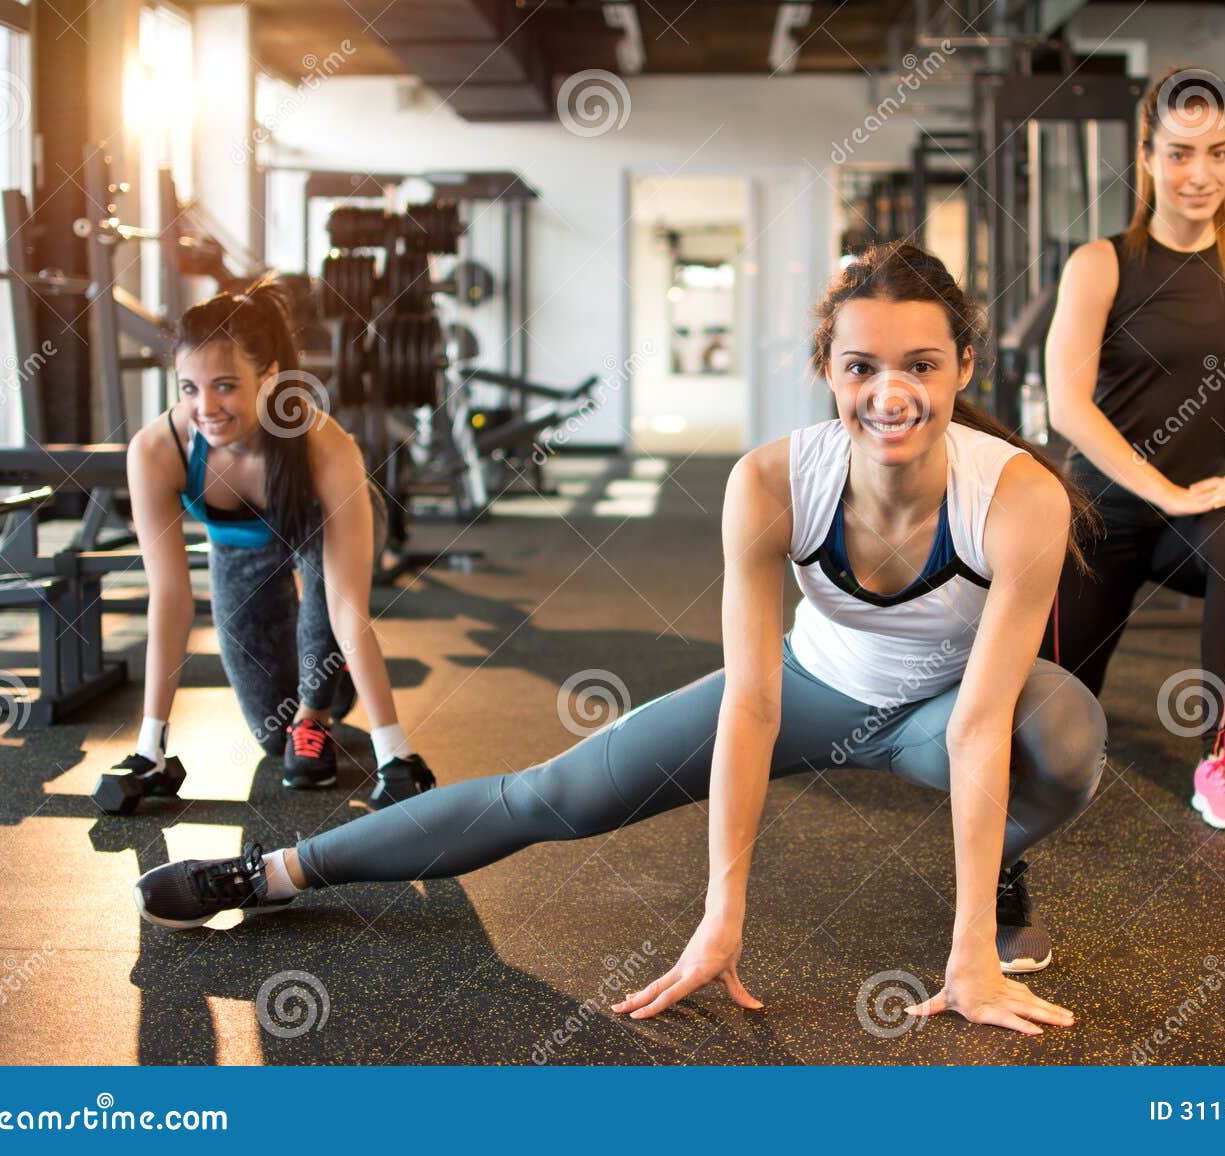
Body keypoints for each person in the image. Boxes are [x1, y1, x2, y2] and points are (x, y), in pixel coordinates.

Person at [135, 243, 1106, 1036]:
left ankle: (994, 872)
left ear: (964, 366)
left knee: (1064, 734)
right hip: (813, 683)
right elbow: (752, 705)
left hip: (946, 709)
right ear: (826, 370)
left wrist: (967, 952)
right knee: (551, 794)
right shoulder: (772, 482)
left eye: (921, 365)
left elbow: (979, 725)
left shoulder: (1017, 496)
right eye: (860, 367)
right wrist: (721, 912)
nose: (889, 394)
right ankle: (273, 872)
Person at [1040, 66, 1225, 831]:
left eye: (1218, 152)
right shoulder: (1100, 264)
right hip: (1102, 513)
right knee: (1049, 739)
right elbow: (1067, 406)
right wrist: (1164, 492)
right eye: (1179, 153)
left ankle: (1223, 757)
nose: (1199, 174)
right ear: (1147, 157)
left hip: (1197, 516)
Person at [118, 276, 437, 807]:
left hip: (328, 528)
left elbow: (346, 606)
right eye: (189, 388)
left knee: (321, 639)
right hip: (239, 545)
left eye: (225, 385)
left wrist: (393, 751)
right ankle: (328, 685)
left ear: (268, 377)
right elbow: (170, 599)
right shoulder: (156, 450)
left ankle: (317, 712)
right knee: (273, 730)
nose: (206, 406)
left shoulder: (324, 445)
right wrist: (148, 748)